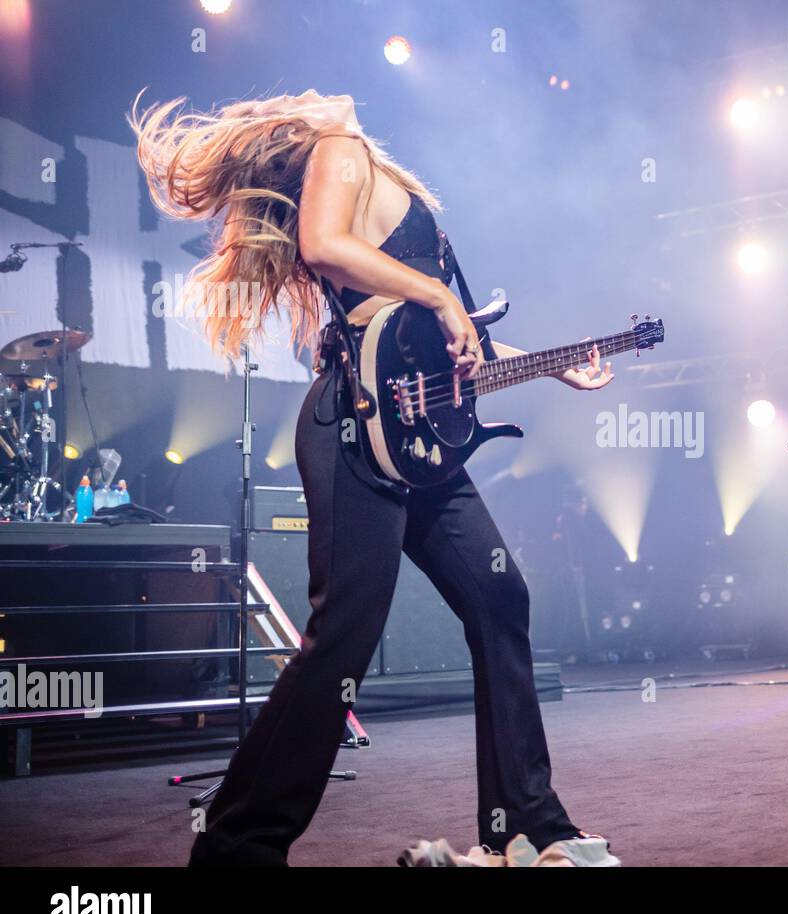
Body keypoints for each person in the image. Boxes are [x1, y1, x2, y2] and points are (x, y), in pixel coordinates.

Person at [133, 90, 615, 865]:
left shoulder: (364, 165)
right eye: (307, 96)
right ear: (301, 121)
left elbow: (439, 339)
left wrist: (549, 365)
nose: (321, 91)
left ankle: (526, 826)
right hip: (356, 431)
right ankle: (235, 849)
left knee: (500, 599)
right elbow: (324, 245)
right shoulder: (339, 148)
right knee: (343, 638)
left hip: (415, 437)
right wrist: (438, 293)